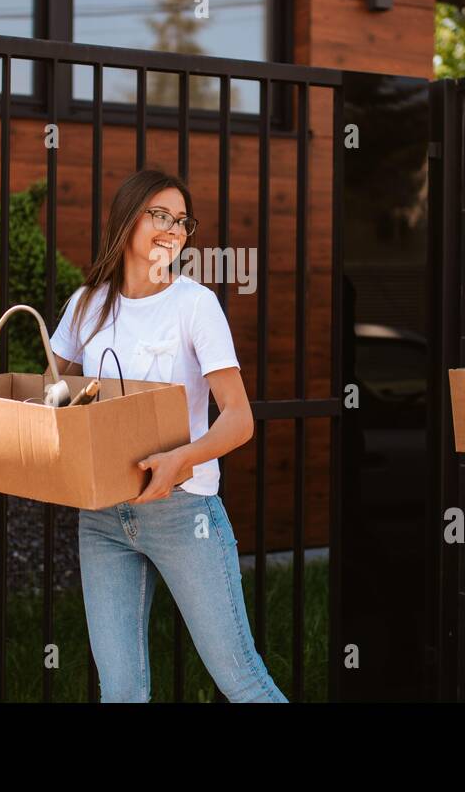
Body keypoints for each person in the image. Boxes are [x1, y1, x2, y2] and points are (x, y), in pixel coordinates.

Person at [49, 168, 288, 703]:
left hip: (184, 514)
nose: (173, 229)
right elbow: (52, 396)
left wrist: (180, 460)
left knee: (242, 679)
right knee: (120, 691)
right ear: (127, 219)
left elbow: (238, 418)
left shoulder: (194, 304)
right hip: (103, 517)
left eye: (182, 221)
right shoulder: (87, 304)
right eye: (160, 215)